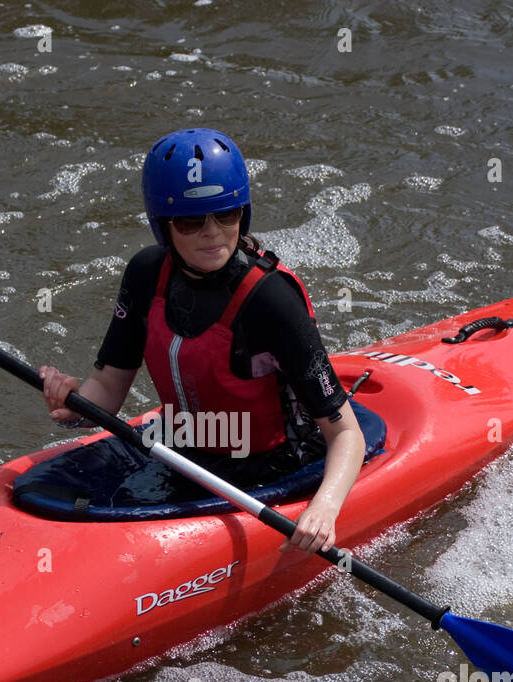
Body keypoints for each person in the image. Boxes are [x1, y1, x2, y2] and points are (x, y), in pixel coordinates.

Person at [39, 128, 365, 554]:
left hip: (273, 469)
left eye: (225, 215)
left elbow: (346, 434)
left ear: (242, 215)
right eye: (192, 220)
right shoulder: (145, 274)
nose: (212, 232)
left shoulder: (270, 300)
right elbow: (106, 394)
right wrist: (72, 404)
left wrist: (324, 509)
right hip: (185, 452)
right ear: (164, 225)